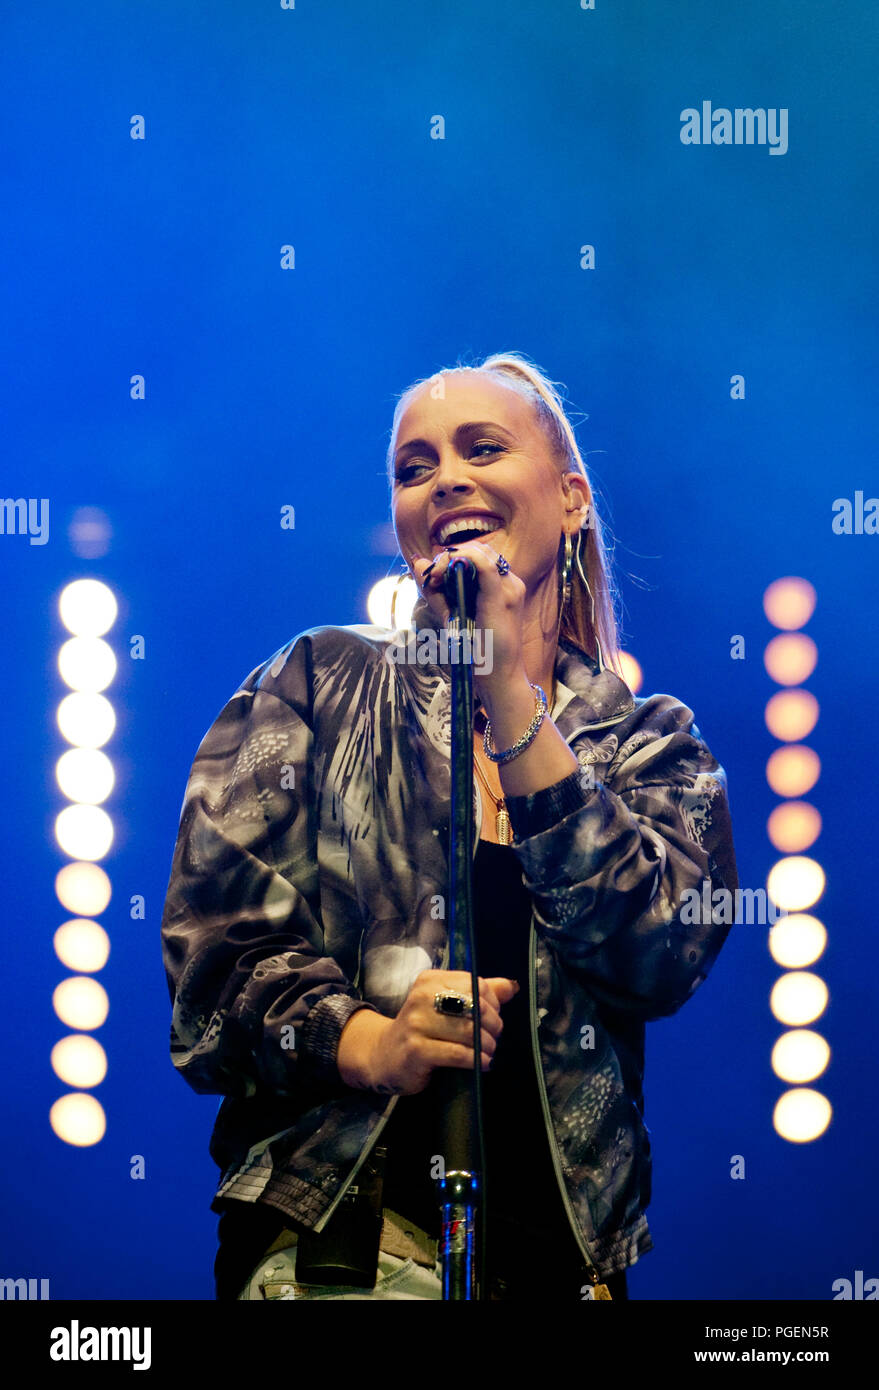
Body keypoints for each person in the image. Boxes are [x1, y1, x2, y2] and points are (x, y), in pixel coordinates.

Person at [160, 351, 738, 1302]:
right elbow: (213, 971)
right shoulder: (313, 686)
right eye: (414, 467)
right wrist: (371, 1045)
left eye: (482, 449)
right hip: (344, 1253)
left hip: (565, 1274)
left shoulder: (650, 746)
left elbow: (656, 954)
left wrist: (507, 690)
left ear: (571, 497)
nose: (447, 482)